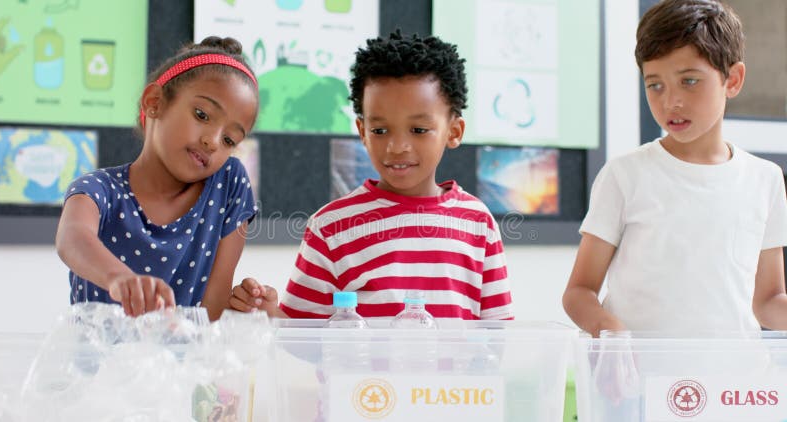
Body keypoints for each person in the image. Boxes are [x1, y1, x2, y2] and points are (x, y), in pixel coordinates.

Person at [230, 31, 513, 320]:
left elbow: (498, 338)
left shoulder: (479, 222)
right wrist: (268, 313)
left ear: (453, 132)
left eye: (418, 130)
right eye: (380, 130)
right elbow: (303, 339)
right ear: (363, 131)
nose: (397, 146)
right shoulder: (330, 227)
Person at [563, 0, 787, 337]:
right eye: (655, 85)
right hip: (641, 380)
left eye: (690, 81)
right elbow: (579, 292)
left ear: (733, 79)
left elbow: (768, 300)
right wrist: (610, 329)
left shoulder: (765, 179)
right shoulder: (625, 176)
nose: (671, 102)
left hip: (732, 381)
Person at [56, 36, 259, 320]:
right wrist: (119, 279)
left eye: (229, 139)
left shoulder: (228, 183)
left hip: (181, 362)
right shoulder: (98, 189)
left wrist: (250, 304)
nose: (213, 142)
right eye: (202, 115)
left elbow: (213, 310)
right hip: (99, 361)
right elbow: (71, 238)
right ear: (154, 103)